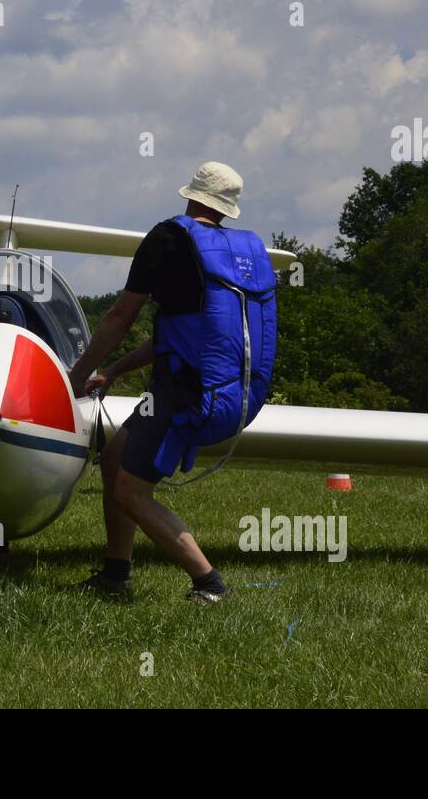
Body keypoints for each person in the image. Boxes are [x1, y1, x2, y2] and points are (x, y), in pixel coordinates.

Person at [67, 160, 275, 605]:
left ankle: (209, 584)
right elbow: (177, 336)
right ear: (226, 208)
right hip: (236, 395)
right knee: (115, 456)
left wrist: (78, 374)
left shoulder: (168, 238)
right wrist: (116, 372)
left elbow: (121, 315)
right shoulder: (241, 252)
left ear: (191, 194)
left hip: (185, 393)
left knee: (130, 490)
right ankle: (115, 575)